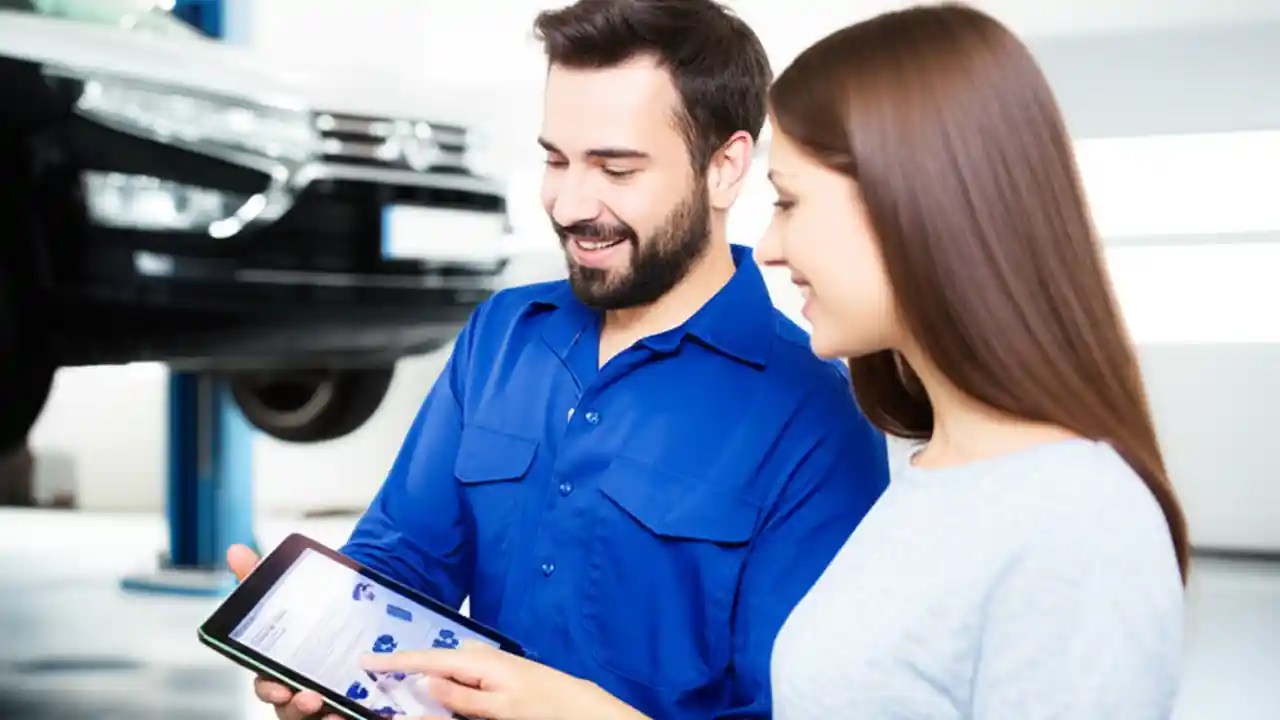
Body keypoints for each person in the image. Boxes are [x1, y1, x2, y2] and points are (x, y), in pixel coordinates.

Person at [359, 4, 1190, 719]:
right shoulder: (938, 478)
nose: (777, 246)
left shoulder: (1070, 517)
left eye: (790, 202)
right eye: (556, 159)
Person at [227, 1, 890, 719]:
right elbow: (406, 559)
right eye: (555, 159)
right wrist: (328, 642)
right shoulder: (502, 336)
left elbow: (792, 707)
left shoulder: (817, 422)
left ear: (725, 169)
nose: (571, 203)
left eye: (616, 168)